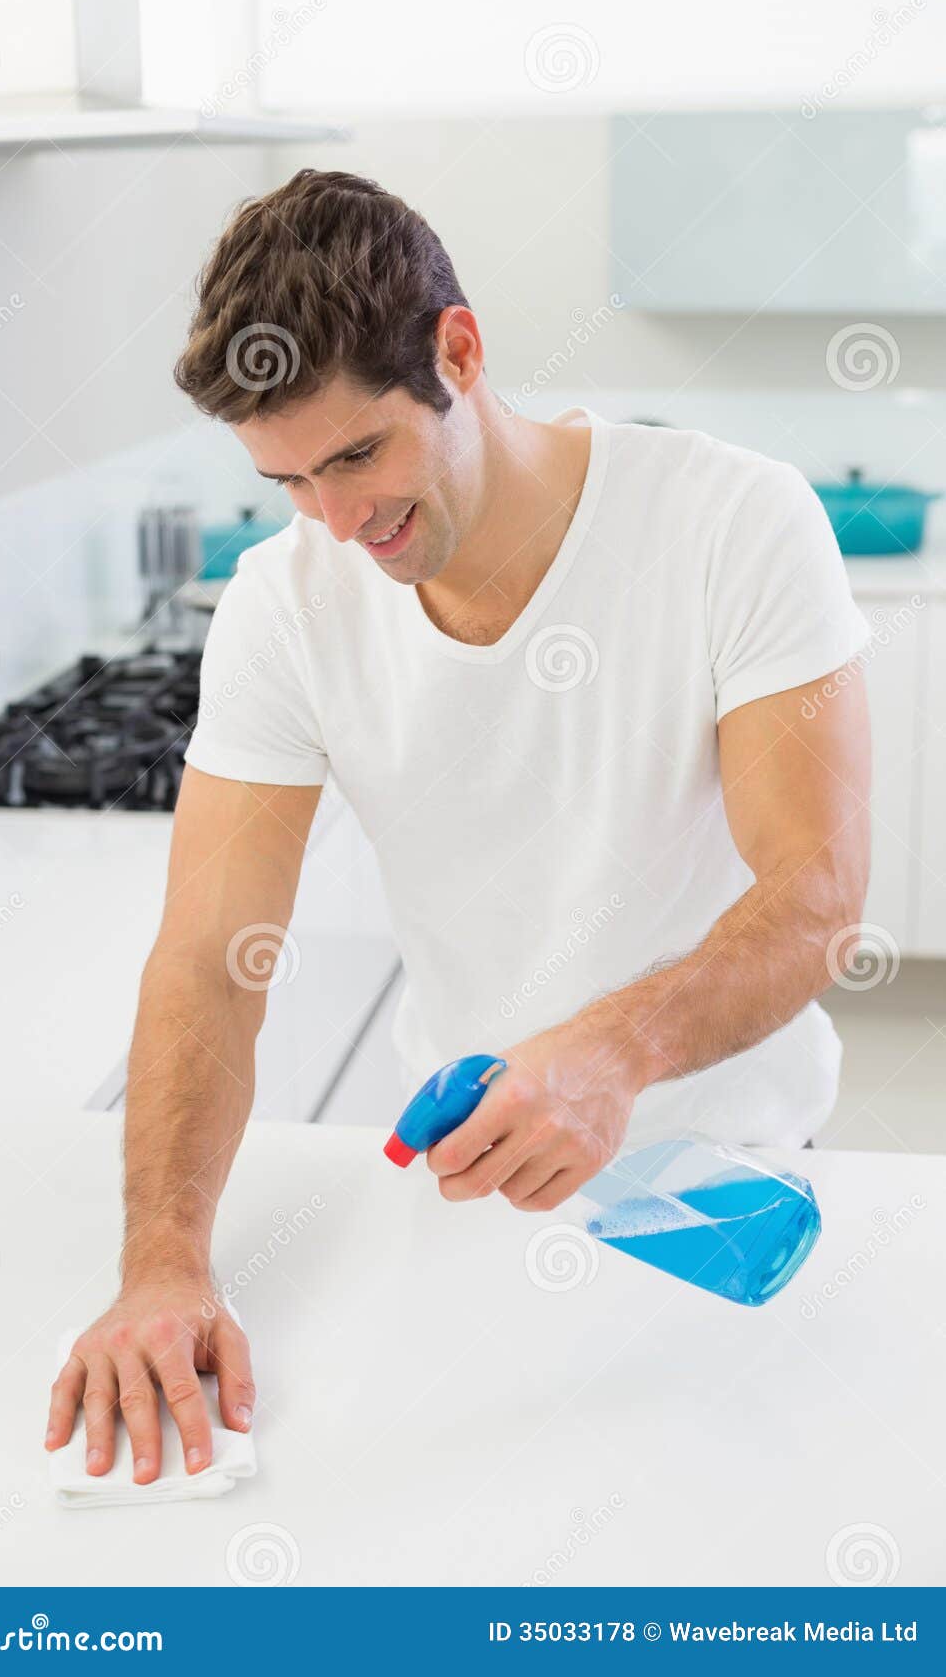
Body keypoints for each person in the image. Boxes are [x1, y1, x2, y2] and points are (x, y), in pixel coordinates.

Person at [45, 169, 871, 1483]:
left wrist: (613, 1054)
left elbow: (815, 896)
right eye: (289, 480)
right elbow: (207, 960)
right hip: (475, 1182)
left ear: (460, 352)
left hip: (731, 1178)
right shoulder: (284, 605)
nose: (339, 524)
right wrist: (162, 1263)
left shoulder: (732, 522)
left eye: (358, 456)